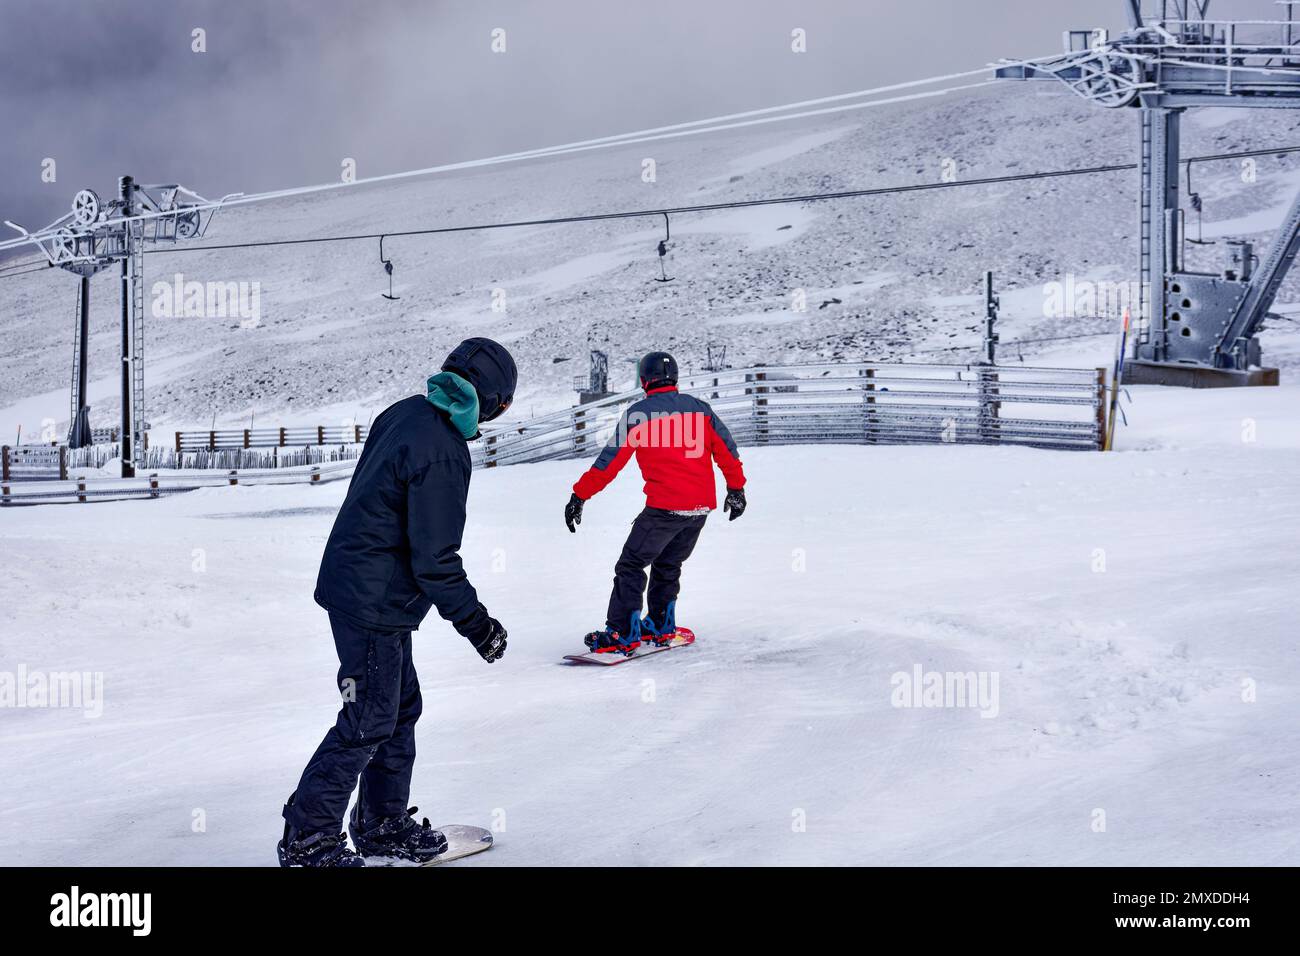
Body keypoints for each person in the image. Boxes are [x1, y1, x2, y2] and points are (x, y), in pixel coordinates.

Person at [277, 337, 517, 867]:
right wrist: (479, 625)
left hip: (363, 587)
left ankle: (381, 823)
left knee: (398, 709)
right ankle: (308, 838)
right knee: (368, 718)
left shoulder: (404, 413)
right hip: (373, 600)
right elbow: (435, 559)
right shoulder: (444, 450)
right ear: (495, 401)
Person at [565, 351, 747, 654]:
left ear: (644, 380)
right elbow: (727, 451)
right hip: (699, 510)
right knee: (668, 563)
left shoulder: (639, 414)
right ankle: (661, 624)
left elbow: (608, 464)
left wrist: (579, 495)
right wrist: (736, 490)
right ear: (674, 378)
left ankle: (622, 632)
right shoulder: (700, 410)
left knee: (632, 564)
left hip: (665, 509)